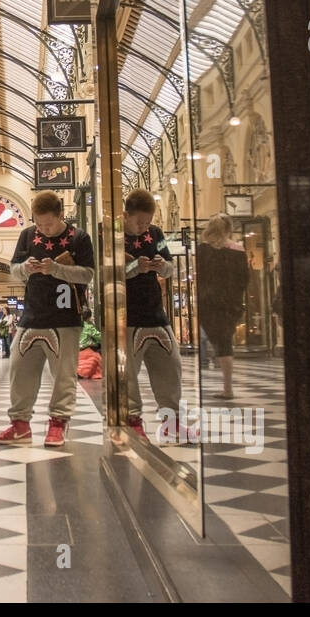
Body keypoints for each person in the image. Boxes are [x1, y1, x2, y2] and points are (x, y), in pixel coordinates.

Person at [0, 191, 95, 448]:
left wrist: (56, 269)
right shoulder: (27, 235)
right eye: (39, 224)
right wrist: (25, 268)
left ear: (61, 216)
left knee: (63, 374)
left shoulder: (79, 238)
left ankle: (58, 423)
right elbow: (14, 268)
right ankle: (20, 425)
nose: (44, 230)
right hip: (32, 316)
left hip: (66, 318)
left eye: (48, 224)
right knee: (20, 368)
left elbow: (88, 274)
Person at [122, 190, 183, 443]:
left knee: (170, 366)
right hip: (127, 315)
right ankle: (133, 419)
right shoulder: (113, 236)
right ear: (126, 215)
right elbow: (108, 273)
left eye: (147, 222)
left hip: (156, 313)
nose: (144, 227)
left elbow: (170, 267)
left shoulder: (156, 234)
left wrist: (161, 265)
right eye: (139, 222)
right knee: (127, 373)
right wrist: (137, 267)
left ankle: (171, 419)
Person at [196, 213, 249, 399]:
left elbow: (200, 277)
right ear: (228, 229)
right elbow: (244, 279)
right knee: (224, 341)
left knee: (221, 342)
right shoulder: (238, 250)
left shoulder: (204, 249)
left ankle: (228, 389)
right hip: (231, 304)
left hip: (209, 304)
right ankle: (227, 386)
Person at [77, 308, 104, 379]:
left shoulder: (78, 326)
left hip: (77, 350)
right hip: (88, 349)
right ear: (89, 317)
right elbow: (100, 337)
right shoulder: (89, 327)